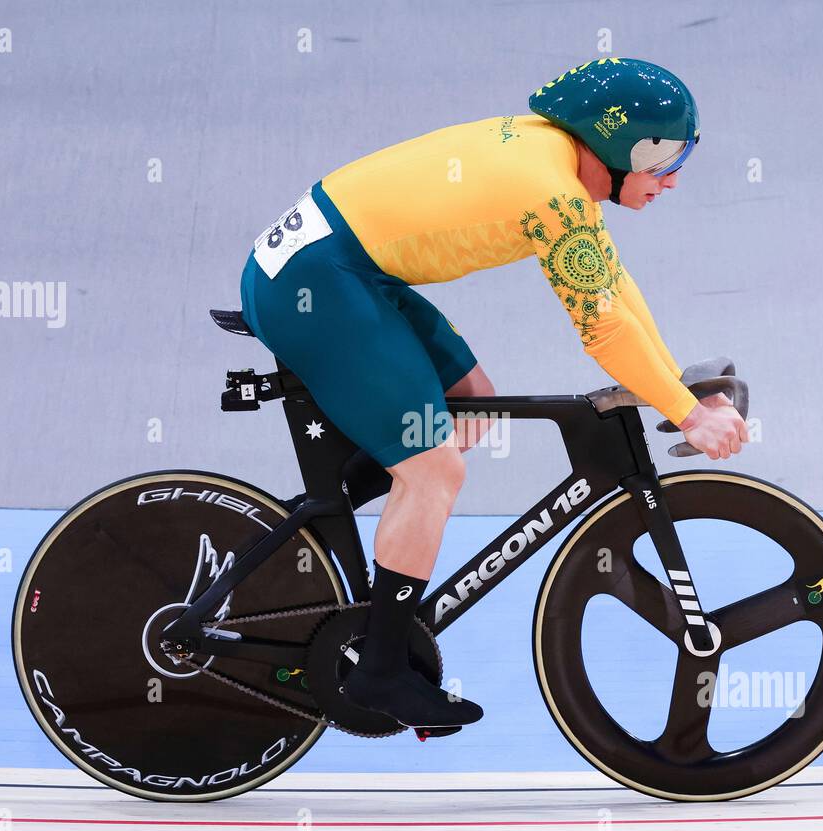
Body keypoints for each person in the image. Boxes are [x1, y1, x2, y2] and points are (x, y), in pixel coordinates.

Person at [238, 57, 749, 730]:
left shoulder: (553, 157)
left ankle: (307, 521)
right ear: (618, 144)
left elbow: (615, 295)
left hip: (345, 266)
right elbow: (602, 334)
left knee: (471, 400)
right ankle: (383, 671)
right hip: (321, 281)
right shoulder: (553, 195)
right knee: (433, 468)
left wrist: (673, 380)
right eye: (663, 156)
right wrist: (683, 411)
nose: (673, 178)